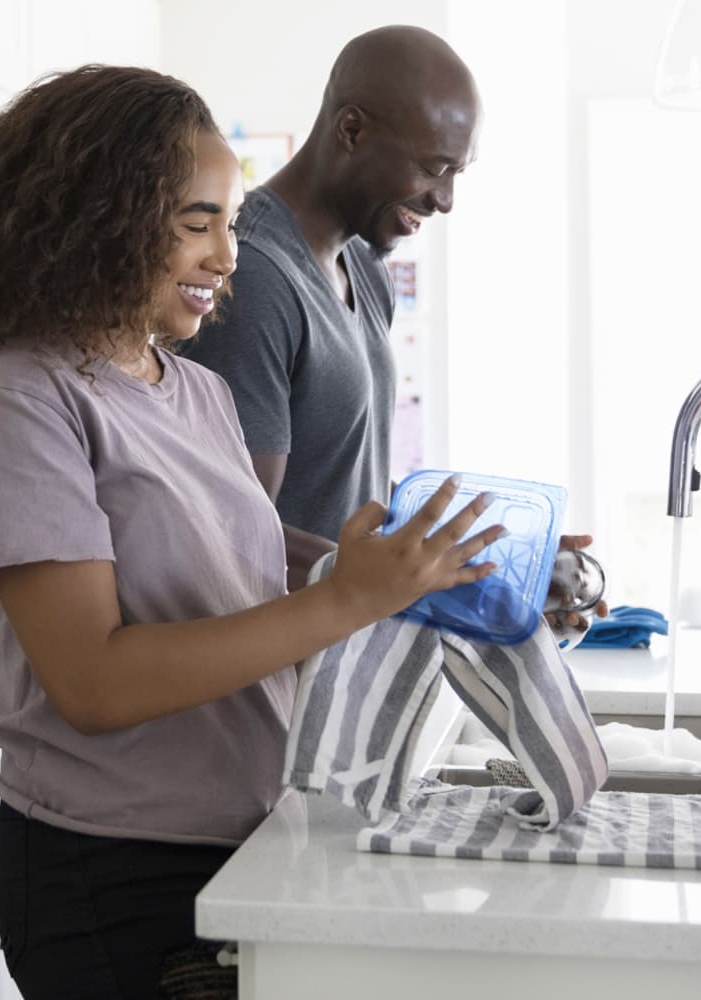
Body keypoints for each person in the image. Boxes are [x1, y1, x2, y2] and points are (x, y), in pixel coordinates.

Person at [0, 64, 504, 1000]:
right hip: (110, 874)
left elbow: (238, 586)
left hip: (239, 841)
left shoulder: (198, 392)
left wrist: (422, 572)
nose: (228, 257)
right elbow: (93, 681)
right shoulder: (24, 396)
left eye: (228, 223)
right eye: (196, 223)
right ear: (95, 216)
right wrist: (348, 598)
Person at [179, 26, 607, 632]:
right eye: (434, 168)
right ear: (351, 131)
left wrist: (488, 563)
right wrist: (437, 585)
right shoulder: (254, 279)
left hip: (346, 657)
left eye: (458, 172)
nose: (447, 199)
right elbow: (230, 532)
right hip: (269, 685)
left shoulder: (364, 267)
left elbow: (346, 489)